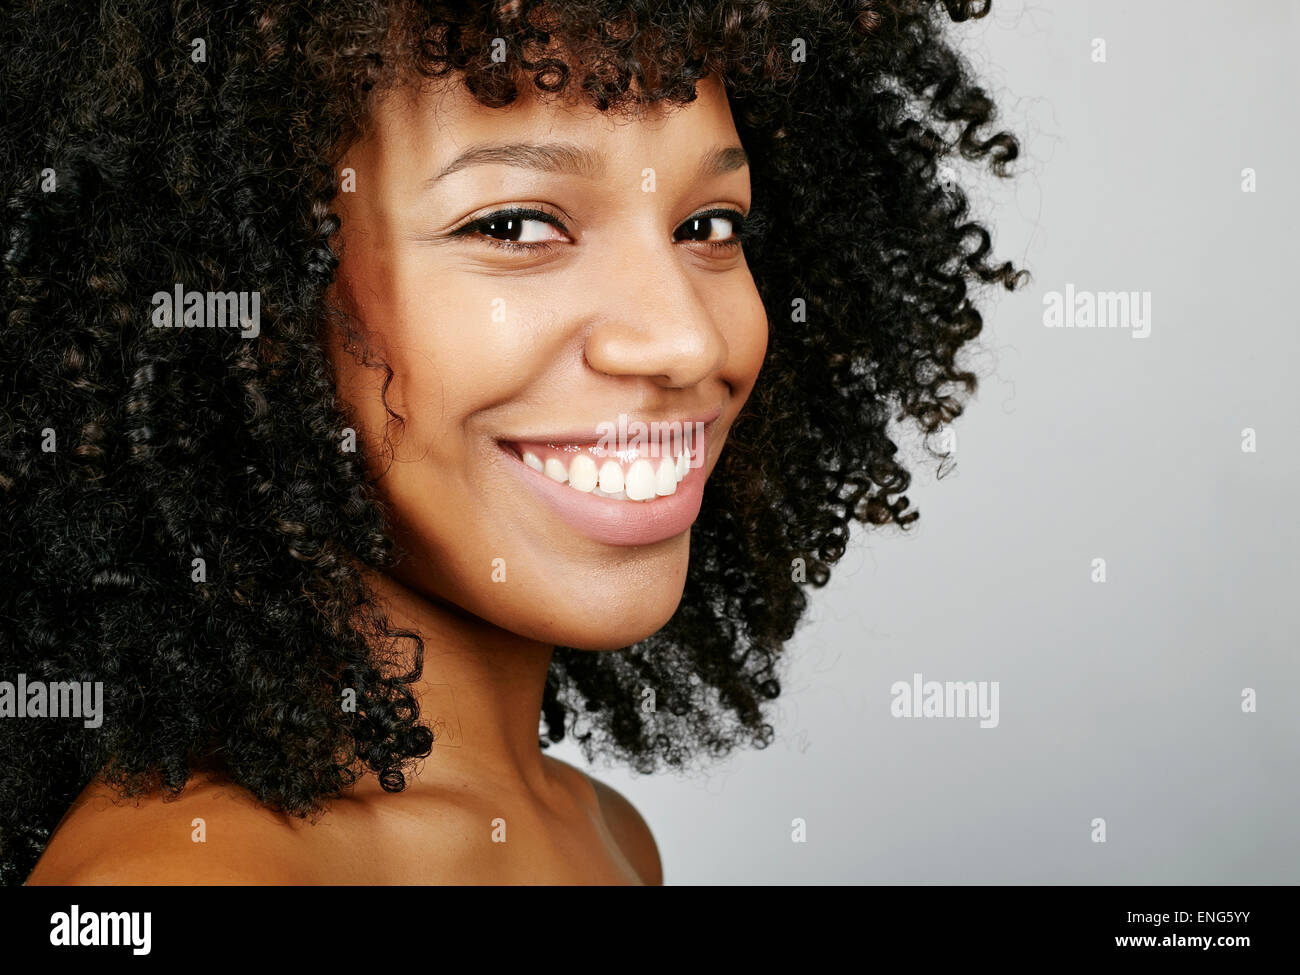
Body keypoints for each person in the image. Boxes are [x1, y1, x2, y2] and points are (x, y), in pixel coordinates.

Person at [3, 0, 1025, 885]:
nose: (681, 337)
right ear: (254, 305)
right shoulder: (186, 876)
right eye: (512, 226)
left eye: (709, 225)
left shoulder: (601, 836)